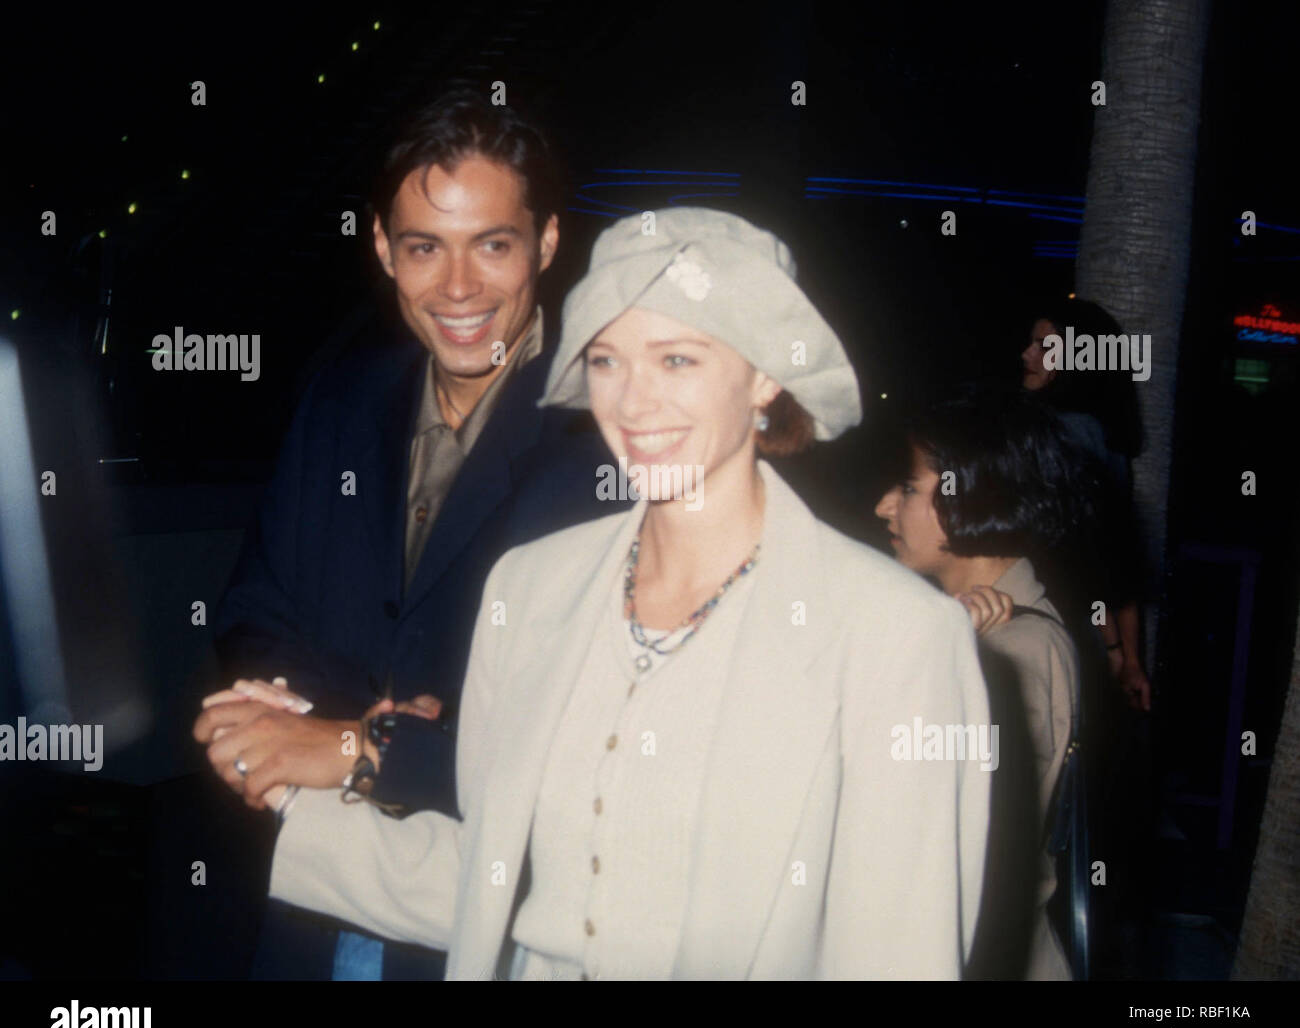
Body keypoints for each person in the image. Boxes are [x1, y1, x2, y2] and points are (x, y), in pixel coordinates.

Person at [212, 208, 993, 979]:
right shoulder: (530, 587)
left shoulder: (894, 636)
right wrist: (287, 778)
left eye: (677, 360)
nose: (631, 402)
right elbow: (491, 880)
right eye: (607, 361)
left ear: (762, 377)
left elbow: (896, 955)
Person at [193, 89, 629, 980]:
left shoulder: (616, 433)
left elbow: (607, 730)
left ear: (546, 244)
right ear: (385, 250)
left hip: (490, 908)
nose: (458, 287)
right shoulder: (341, 397)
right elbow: (256, 602)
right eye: (425, 247)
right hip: (313, 884)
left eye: (492, 245)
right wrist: (273, 717)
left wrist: (370, 752)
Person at [874, 391, 1095, 979]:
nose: (883, 507)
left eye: (909, 488)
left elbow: (935, 840)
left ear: (973, 495)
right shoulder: (962, 627)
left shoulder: (1014, 650)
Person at [1020, 296, 1149, 711]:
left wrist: (1112, 646)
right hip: (1084, 634)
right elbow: (1119, 559)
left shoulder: (1064, 433)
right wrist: (1129, 658)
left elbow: (1085, 562)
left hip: (1058, 626)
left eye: (1044, 346)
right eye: (1031, 342)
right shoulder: (1101, 433)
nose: (1027, 354)